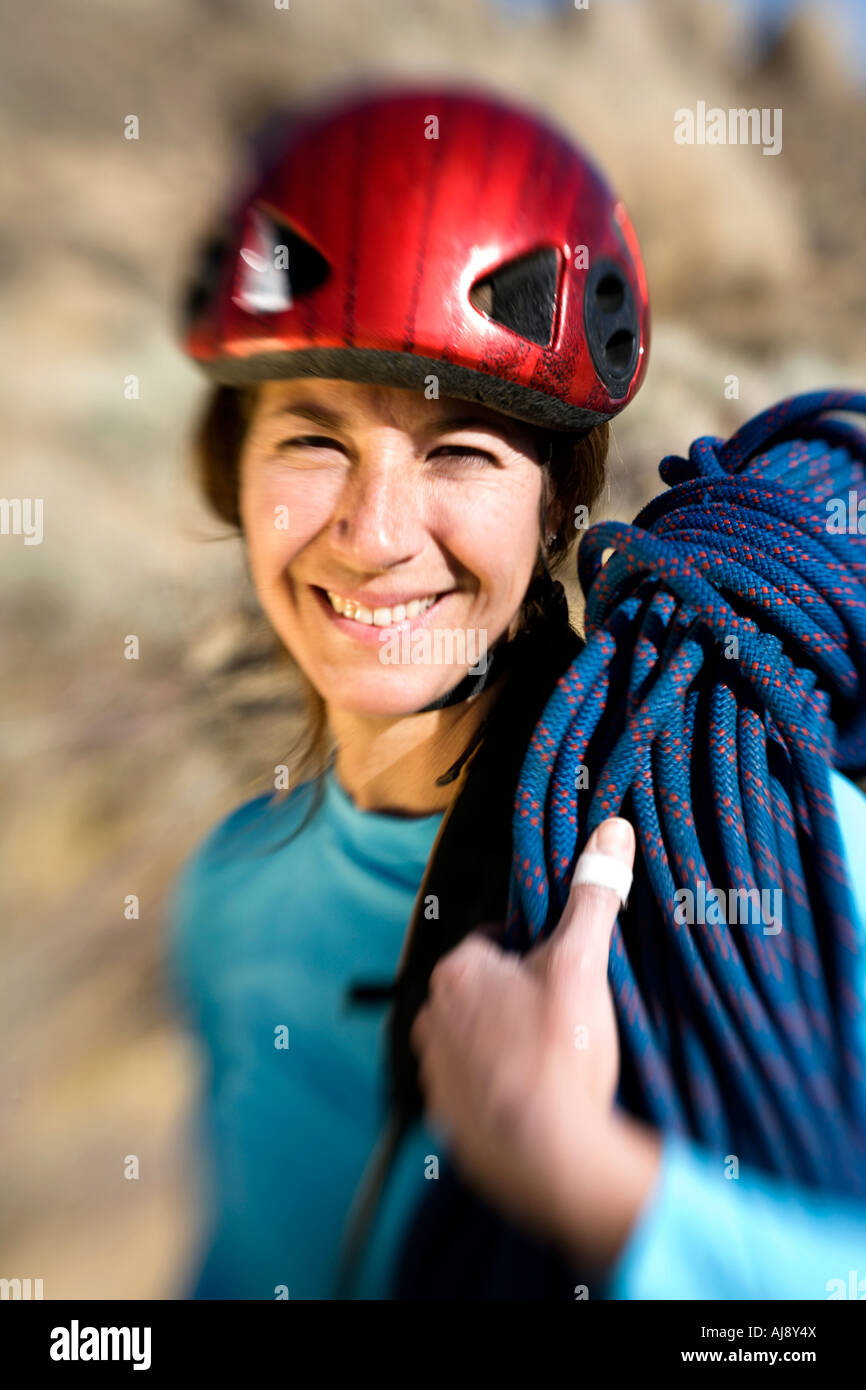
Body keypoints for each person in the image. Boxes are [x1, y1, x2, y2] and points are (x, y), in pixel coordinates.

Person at [168, 85, 866, 1300]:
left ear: (556, 508)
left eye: (459, 450)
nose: (374, 534)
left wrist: (588, 1179)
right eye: (312, 438)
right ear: (230, 475)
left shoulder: (786, 855)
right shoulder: (229, 902)